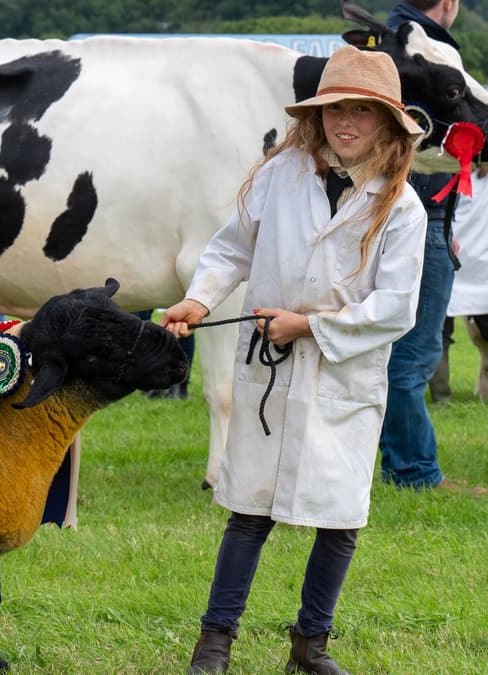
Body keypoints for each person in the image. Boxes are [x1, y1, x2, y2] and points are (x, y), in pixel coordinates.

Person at [162, 47, 426, 674]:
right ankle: (214, 644)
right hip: (270, 375)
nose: (348, 122)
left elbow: (396, 308)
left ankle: (310, 646)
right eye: (337, 109)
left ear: (388, 123)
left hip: (342, 376)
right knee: (248, 512)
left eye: (363, 111)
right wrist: (200, 299)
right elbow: (231, 250)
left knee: (339, 521)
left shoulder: (402, 207)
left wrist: (308, 324)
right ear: (318, 115)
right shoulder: (281, 176)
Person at [379, 0, 466, 491]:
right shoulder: (427, 51)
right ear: (450, 3)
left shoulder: (386, 44)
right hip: (423, 213)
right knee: (412, 355)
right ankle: (412, 471)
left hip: (408, 214)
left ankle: (400, 460)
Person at [430, 165, 488, 406]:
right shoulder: (443, 171)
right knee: (439, 334)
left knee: (440, 334)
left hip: (472, 266)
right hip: (452, 259)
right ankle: (441, 397)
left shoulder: (438, 169)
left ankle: (442, 399)